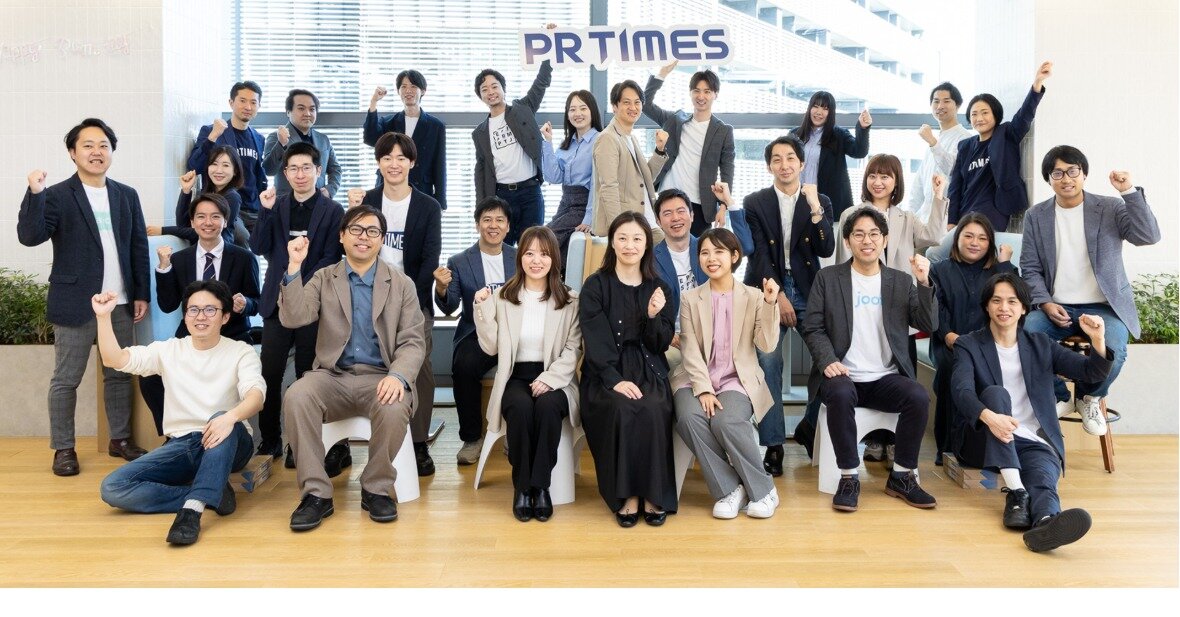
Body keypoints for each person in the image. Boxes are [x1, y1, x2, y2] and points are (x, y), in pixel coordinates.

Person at [280, 206, 426, 531]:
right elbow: (294, 317)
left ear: (382, 239)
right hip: (332, 377)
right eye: (356, 230)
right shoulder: (324, 277)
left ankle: (376, 488)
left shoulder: (401, 284)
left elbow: (413, 341)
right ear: (342, 236)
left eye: (372, 231)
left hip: (381, 377)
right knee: (297, 396)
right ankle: (316, 494)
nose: (364, 237)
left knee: (394, 405)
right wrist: (294, 266)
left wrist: (398, 376)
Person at [18, 118, 150, 475]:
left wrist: (140, 293)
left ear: (112, 152)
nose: (97, 152)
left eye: (103, 145)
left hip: (119, 302)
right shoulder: (57, 194)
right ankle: (63, 448)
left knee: (119, 373)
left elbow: (138, 246)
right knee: (66, 379)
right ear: (72, 153)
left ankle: (120, 439)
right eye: (88, 145)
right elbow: (29, 237)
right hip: (75, 301)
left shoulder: (126, 195)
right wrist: (34, 194)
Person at [951, 272, 1112, 552]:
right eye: (996, 301)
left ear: (1024, 308)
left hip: (1032, 439)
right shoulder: (969, 344)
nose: (1004, 308)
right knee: (996, 394)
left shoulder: (1041, 344)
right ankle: (1016, 491)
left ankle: (1046, 525)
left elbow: (1091, 372)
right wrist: (989, 417)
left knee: (1043, 480)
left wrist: (1097, 339)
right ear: (987, 306)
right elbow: (961, 390)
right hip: (983, 440)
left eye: (1012, 301)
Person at [96, 280, 265, 545]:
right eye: (193, 310)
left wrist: (230, 417)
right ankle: (212, 493)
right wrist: (103, 317)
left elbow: (256, 397)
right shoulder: (168, 350)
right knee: (113, 487)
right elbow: (114, 359)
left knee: (219, 419)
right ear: (185, 316)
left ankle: (192, 510)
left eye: (210, 310)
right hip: (183, 445)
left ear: (225, 317)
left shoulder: (240, 352)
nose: (200, 316)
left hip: (230, 441)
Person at [801, 207, 938, 512]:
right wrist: (827, 361)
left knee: (918, 397)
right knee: (839, 392)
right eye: (859, 234)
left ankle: (902, 476)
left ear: (885, 240)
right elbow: (812, 327)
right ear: (847, 241)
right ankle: (849, 477)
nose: (867, 240)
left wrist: (924, 283)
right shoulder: (828, 278)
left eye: (874, 234)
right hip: (843, 374)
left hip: (885, 377)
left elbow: (927, 324)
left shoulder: (900, 281)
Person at [1021, 148, 1160, 435]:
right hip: (1055, 307)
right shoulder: (1036, 215)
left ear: (1084, 174)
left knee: (1115, 350)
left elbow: (1148, 236)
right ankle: (1060, 396)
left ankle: (1089, 398)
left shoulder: (1110, 207)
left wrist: (1129, 191)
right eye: (1057, 173)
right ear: (1049, 179)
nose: (1066, 178)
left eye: (1073, 171)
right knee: (1027, 339)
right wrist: (1045, 303)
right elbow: (1030, 267)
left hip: (1103, 307)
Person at [834, 154, 946, 463]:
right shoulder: (851, 214)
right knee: (865, 372)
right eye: (873, 175)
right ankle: (874, 441)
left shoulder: (905, 218)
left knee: (901, 373)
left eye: (885, 176)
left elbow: (934, 236)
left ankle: (896, 439)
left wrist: (938, 198)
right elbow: (839, 260)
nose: (878, 182)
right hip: (860, 305)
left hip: (898, 308)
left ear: (896, 182)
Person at [671, 228, 780, 519]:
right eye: (705, 253)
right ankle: (730, 489)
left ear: (734, 256)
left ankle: (764, 490)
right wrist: (704, 389)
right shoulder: (690, 298)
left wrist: (770, 304)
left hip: (737, 379)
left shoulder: (755, 296)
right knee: (689, 417)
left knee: (726, 421)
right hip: (694, 377)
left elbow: (766, 344)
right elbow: (690, 349)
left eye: (718, 252)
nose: (711, 258)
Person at [740, 134, 835, 472]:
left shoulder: (819, 200)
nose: (784, 165)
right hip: (767, 290)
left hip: (810, 289)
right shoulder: (755, 202)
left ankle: (808, 425)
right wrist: (778, 294)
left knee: (829, 359)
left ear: (802, 163)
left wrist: (815, 207)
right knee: (768, 361)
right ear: (769, 166)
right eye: (777, 159)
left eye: (790, 158)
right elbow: (757, 254)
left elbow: (825, 248)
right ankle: (774, 444)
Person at [473, 226, 581, 522]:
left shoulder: (570, 299)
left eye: (544, 254)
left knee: (547, 408)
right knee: (519, 408)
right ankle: (522, 487)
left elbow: (573, 348)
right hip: (515, 376)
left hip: (556, 376)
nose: (536, 261)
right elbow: (490, 347)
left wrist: (549, 379)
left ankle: (540, 486)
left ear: (554, 258)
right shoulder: (504, 296)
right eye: (530, 253)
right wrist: (481, 309)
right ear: (520, 256)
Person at [352, 131, 443, 476]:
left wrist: (405, 301)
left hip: (413, 301)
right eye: (387, 158)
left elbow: (429, 259)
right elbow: (354, 250)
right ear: (378, 163)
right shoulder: (366, 202)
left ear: (412, 163)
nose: (394, 164)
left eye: (401, 158)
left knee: (419, 369)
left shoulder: (428, 206)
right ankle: (356, 441)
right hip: (366, 300)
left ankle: (418, 442)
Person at [579, 212, 678, 527]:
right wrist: (614, 380)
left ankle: (652, 495)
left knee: (653, 407)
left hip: (648, 367)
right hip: (604, 371)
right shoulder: (595, 285)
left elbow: (660, 343)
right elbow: (594, 342)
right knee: (622, 407)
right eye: (622, 238)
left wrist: (653, 316)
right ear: (612, 242)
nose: (629, 245)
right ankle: (628, 496)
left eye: (637, 239)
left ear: (647, 244)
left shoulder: (660, 287)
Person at [249, 142, 344, 467]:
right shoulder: (275, 205)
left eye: (306, 168)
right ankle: (271, 440)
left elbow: (332, 257)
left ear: (318, 171)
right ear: (285, 173)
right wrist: (264, 211)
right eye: (293, 168)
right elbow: (258, 246)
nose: (300, 174)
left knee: (307, 375)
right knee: (270, 373)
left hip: (313, 305)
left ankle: (302, 443)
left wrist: (300, 284)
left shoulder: (333, 211)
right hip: (275, 304)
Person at [143, 192, 261, 434]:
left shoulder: (244, 258)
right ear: (192, 222)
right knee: (150, 376)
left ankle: (221, 430)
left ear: (225, 221)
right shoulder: (179, 259)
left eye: (215, 217)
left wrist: (245, 304)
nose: (208, 222)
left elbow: (257, 301)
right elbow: (168, 305)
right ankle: (174, 435)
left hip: (232, 336)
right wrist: (163, 269)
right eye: (201, 217)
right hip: (191, 338)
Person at [930, 213, 1016, 465]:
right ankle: (946, 447)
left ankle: (990, 445)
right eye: (968, 236)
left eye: (982, 238)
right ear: (957, 239)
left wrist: (1005, 263)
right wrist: (949, 336)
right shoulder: (939, 270)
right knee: (951, 370)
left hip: (987, 345)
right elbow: (936, 309)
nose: (974, 243)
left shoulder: (998, 272)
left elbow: (1017, 301)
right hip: (949, 342)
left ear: (990, 243)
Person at [435, 197, 516, 465]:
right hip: (476, 332)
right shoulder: (459, 261)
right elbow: (450, 306)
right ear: (477, 224)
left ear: (508, 226)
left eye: (500, 220)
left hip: (514, 331)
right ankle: (472, 438)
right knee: (464, 366)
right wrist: (441, 288)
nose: (493, 225)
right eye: (487, 220)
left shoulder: (519, 258)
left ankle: (516, 434)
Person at [945, 61, 1053, 235]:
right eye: (974, 114)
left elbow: (1025, 115)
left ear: (995, 114)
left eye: (985, 112)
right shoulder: (965, 146)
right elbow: (955, 186)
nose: (979, 118)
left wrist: (1037, 84)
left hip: (994, 210)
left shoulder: (1006, 133)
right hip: (966, 210)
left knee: (980, 244)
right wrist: (951, 220)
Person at [473, 27, 555, 245]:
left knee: (532, 246)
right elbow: (481, 171)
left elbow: (541, 83)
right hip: (501, 197)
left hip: (530, 192)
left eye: (494, 86)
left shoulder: (522, 109)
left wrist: (549, 44)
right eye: (484, 89)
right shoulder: (480, 132)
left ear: (503, 89)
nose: (490, 91)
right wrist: (481, 209)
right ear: (480, 96)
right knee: (502, 250)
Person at [643, 61, 736, 236]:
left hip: (700, 206)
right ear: (690, 93)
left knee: (697, 251)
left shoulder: (723, 131)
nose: (701, 96)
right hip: (667, 199)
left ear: (715, 94)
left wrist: (724, 206)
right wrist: (661, 74)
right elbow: (645, 104)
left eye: (707, 91)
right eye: (696, 91)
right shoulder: (675, 120)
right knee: (662, 250)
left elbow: (727, 172)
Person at [588, 80, 669, 242]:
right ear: (615, 106)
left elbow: (645, 180)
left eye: (637, 102)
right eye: (626, 102)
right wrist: (620, 230)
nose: (633, 107)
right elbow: (608, 187)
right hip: (630, 227)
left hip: (646, 222)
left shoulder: (631, 138)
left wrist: (659, 150)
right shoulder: (608, 138)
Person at [187, 81, 266, 235]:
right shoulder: (211, 131)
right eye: (242, 101)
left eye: (253, 102)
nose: (248, 107)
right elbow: (193, 166)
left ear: (259, 106)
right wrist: (212, 138)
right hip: (224, 204)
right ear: (231, 103)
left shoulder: (259, 138)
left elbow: (257, 174)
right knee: (243, 240)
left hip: (253, 208)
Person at [364, 70, 447, 207]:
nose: (408, 91)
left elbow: (440, 165)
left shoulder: (435, 126)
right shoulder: (388, 122)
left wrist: (440, 203)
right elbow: (370, 138)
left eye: (413, 86)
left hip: (421, 191)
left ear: (423, 91)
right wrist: (374, 102)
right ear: (398, 91)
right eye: (403, 87)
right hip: (389, 189)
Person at [540, 89, 600, 270]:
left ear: (592, 111)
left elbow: (597, 184)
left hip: (584, 204)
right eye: (572, 109)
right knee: (559, 244)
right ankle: (560, 282)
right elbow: (553, 176)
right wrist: (547, 142)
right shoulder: (567, 144)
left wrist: (589, 218)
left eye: (583, 108)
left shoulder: (600, 141)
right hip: (566, 202)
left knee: (546, 238)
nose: (577, 113)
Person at [790, 91, 871, 220]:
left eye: (825, 108)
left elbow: (859, 151)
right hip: (799, 200)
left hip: (829, 202)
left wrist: (863, 128)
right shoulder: (795, 134)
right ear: (809, 108)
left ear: (831, 113)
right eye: (815, 106)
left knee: (828, 232)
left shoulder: (839, 135)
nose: (819, 112)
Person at [149, 145, 243, 247]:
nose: (219, 170)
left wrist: (163, 230)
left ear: (235, 171)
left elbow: (206, 231)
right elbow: (183, 224)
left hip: (220, 253)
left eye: (225, 165)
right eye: (214, 164)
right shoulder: (206, 193)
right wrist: (186, 191)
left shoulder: (232, 197)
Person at [907, 82, 971, 224]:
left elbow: (952, 169)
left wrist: (932, 142)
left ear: (958, 105)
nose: (940, 106)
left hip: (948, 219)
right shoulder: (935, 141)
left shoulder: (965, 138)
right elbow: (919, 185)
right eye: (936, 101)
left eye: (946, 101)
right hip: (923, 219)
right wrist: (909, 218)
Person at [263, 89, 343, 199]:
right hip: (287, 204)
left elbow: (336, 170)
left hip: (318, 203)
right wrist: (281, 144)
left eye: (312, 109)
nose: (307, 113)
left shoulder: (323, 139)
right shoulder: (276, 137)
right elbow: (269, 170)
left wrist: (329, 190)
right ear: (288, 112)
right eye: (301, 108)